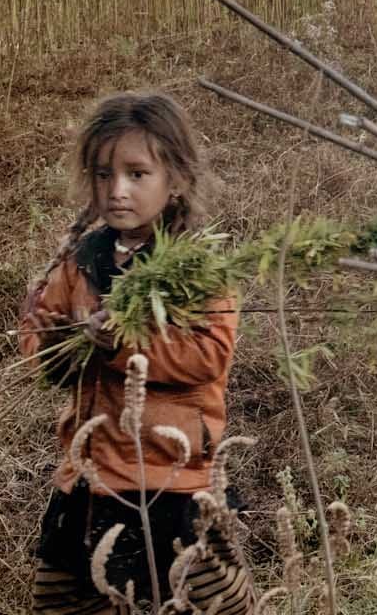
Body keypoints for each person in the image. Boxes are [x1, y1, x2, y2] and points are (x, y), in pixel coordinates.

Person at [17, 92, 254, 614]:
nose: (117, 190)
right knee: (64, 601)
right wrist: (67, 340)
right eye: (103, 175)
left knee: (212, 603)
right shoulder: (82, 260)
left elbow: (206, 357)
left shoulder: (198, 268)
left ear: (177, 179)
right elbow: (36, 340)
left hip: (172, 482)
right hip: (90, 477)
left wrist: (126, 340)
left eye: (137, 174)